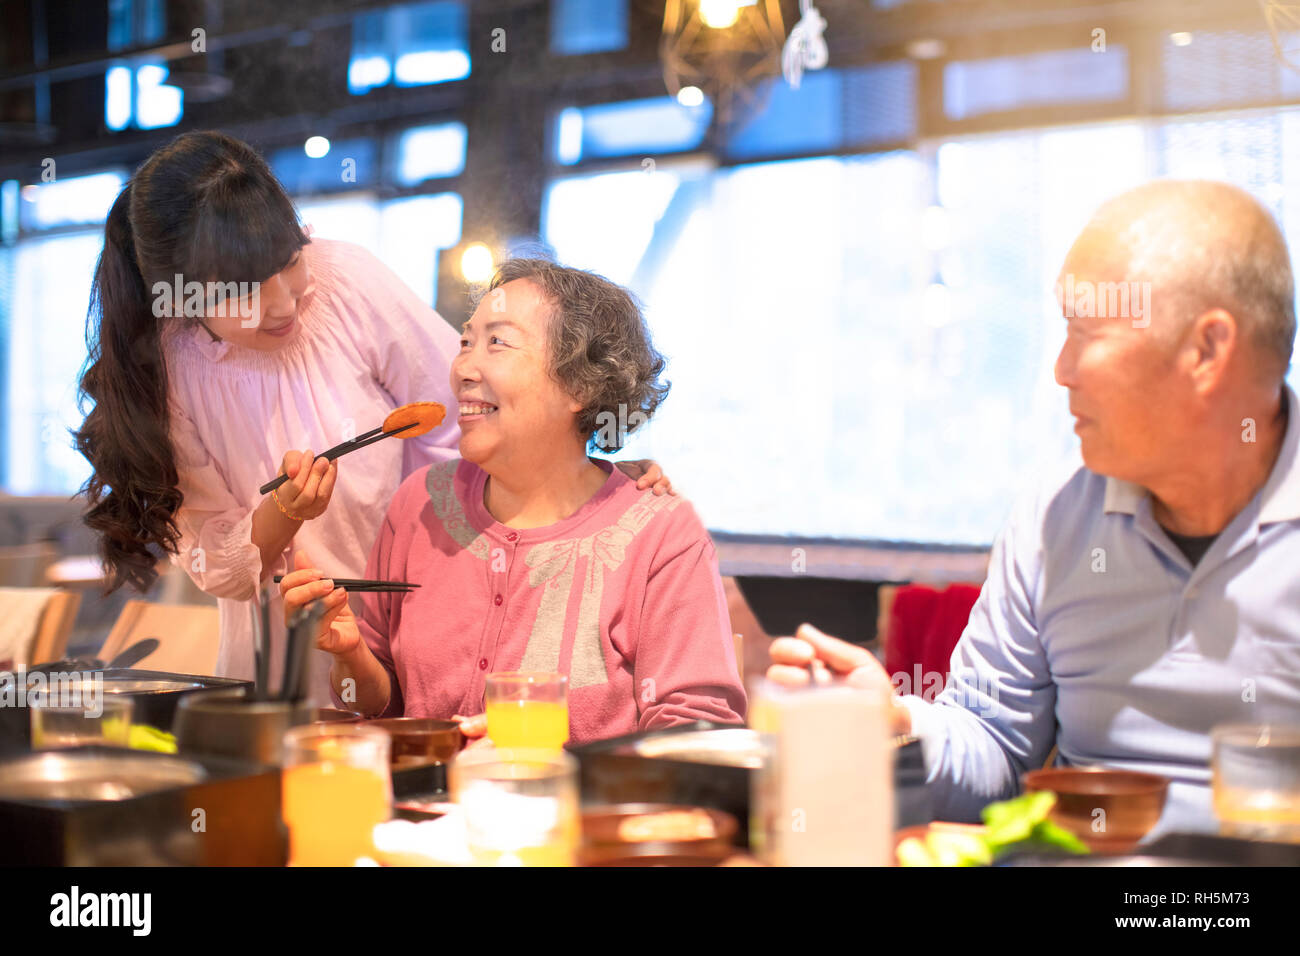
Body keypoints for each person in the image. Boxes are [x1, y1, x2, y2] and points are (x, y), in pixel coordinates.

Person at [770, 180, 1300, 836]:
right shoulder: (1055, 519)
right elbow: (994, 749)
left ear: (1207, 351)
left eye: (1086, 332)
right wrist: (898, 726)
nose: (1061, 369)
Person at [74, 130, 672, 704]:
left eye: (289, 261)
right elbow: (221, 566)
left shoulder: (347, 281)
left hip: (420, 630)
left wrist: (586, 473)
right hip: (278, 671)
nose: (283, 302)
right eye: (243, 291)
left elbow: (472, 414)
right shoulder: (173, 367)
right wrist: (283, 511)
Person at [282, 259, 746, 743]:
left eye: (497, 342)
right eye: (465, 342)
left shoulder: (660, 534)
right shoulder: (420, 503)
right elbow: (379, 706)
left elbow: (698, 732)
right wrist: (350, 654)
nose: (462, 367)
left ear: (581, 386)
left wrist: (540, 752)